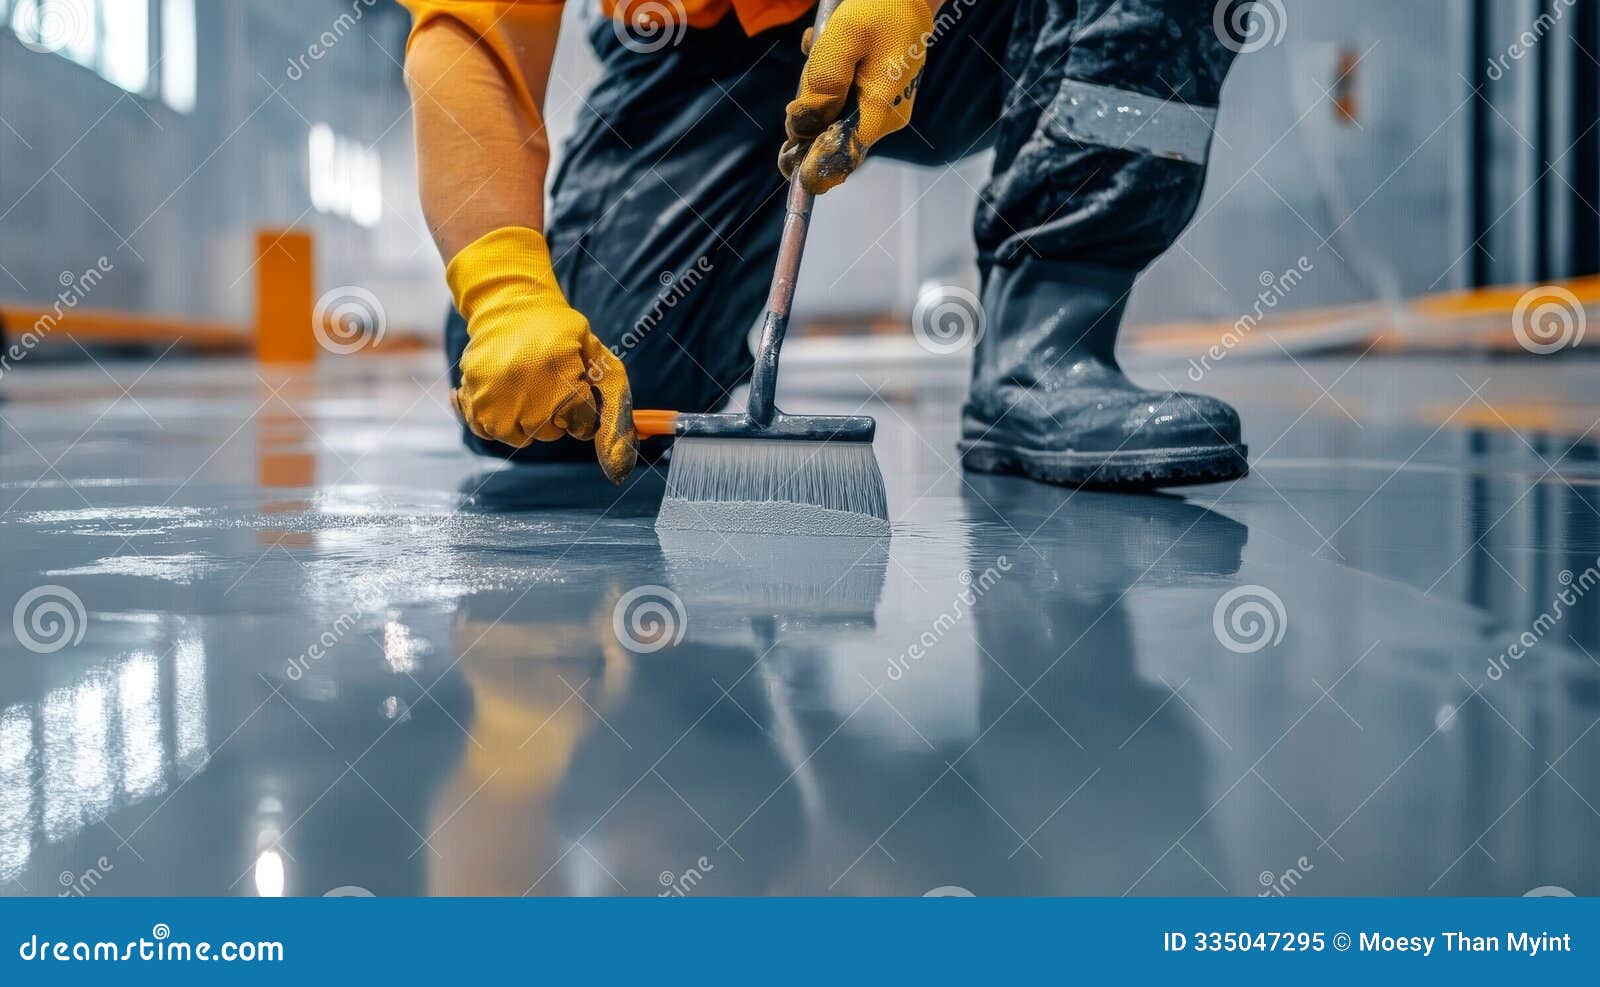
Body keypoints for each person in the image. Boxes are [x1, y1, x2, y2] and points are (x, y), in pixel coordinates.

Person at [400, 0, 1253, 489]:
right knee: (557, 411)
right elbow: (468, 35)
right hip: (703, 43)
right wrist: (506, 295)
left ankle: (1050, 345)